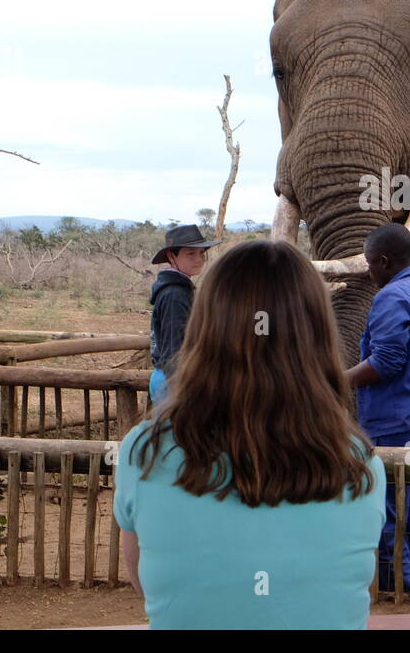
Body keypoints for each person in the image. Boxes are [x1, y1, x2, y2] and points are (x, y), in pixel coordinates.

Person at [114, 240, 386, 629]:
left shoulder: (144, 451)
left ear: (204, 329)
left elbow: (147, 585)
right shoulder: (360, 461)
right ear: (318, 336)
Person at [344, 223, 410, 595]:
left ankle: (399, 595)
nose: (369, 270)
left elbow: (387, 361)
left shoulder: (392, 297)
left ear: (385, 262)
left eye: (371, 263)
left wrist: (339, 380)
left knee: (390, 515)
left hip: (399, 422)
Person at [147, 224, 221, 405]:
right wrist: (184, 391)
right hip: (172, 380)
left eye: (202, 254)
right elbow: (174, 350)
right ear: (172, 256)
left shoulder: (178, 289)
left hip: (168, 377)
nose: (199, 259)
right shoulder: (175, 294)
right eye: (191, 254)